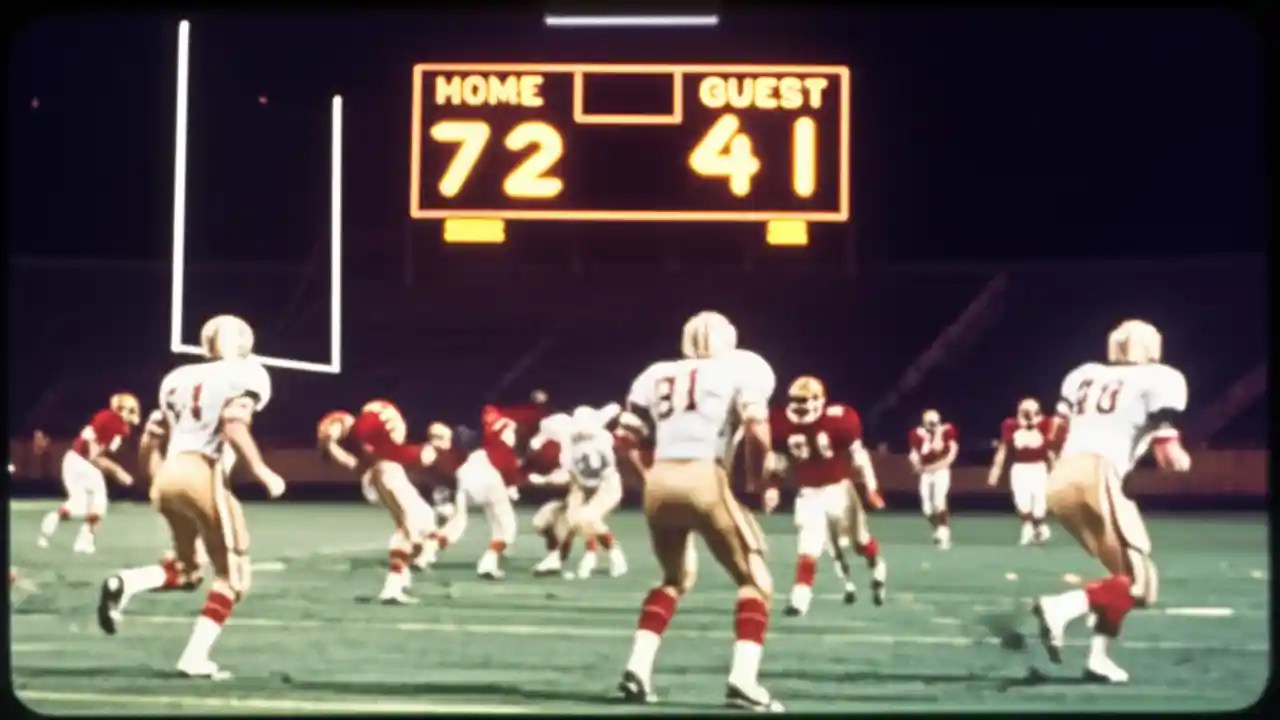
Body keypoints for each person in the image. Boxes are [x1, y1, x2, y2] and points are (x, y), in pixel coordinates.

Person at [95, 315, 286, 680]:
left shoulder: (177, 378)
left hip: (169, 475)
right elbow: (233, 423)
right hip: (204, 471)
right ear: (244, 342)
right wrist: (263, 472)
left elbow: (151, 441)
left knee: (187, 571)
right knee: (234, 578)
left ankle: (127, 582)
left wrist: (159, 484)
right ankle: (194, 658)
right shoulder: (249, 373)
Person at [614, 311, 782, 711]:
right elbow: (758, 432)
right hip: (704, 475)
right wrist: (761, 482)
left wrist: (648, 478)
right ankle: (743, 679)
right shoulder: (737, 372)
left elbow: (623, 440)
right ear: (729, 340)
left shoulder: (653, 373)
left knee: (674, 577)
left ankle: (638, 669)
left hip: (660, 479)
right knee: (756, 581)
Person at [1031, 319, 1192, 684]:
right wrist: (1183, 461)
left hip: (1060, 478)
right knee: (1138, 583)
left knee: (1134, 582)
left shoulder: (1082, 375)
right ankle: (1062, 607)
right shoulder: (1162, 379)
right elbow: (1170, 457)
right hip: (1098, 472)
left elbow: (1055, 437)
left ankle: (1098, 659)